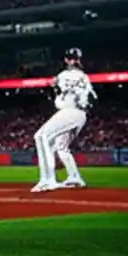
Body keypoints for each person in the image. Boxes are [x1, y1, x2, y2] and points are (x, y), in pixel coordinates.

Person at [32, 47, 95, 192]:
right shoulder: (84, 77)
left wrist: (53, 85)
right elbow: (92, 98)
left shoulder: (63, 75)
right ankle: (75, 178)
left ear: (66, 60)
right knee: (61, 147)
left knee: (41, 136)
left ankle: (47, 180)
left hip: (69, 111)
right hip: (81, 115)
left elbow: (56, 93)